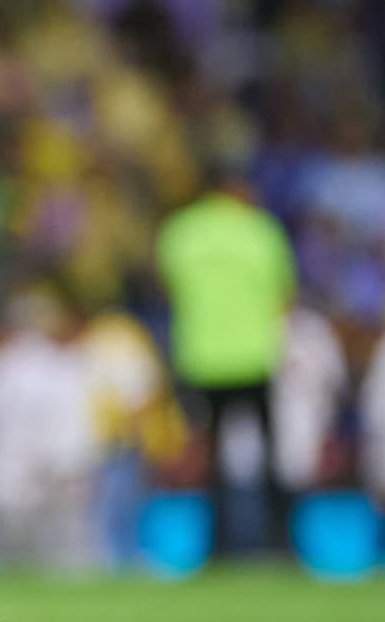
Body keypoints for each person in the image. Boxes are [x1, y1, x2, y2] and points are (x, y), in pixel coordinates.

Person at [156, 166, 297, 553]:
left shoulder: (181, 231)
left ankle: (216, 548)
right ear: (239, 189)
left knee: (211, 459)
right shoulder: (262, 230)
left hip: (202, 360)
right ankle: (280, 544)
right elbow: (283, 294)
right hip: (254, 358)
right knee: (269, 458)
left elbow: (170, 289)